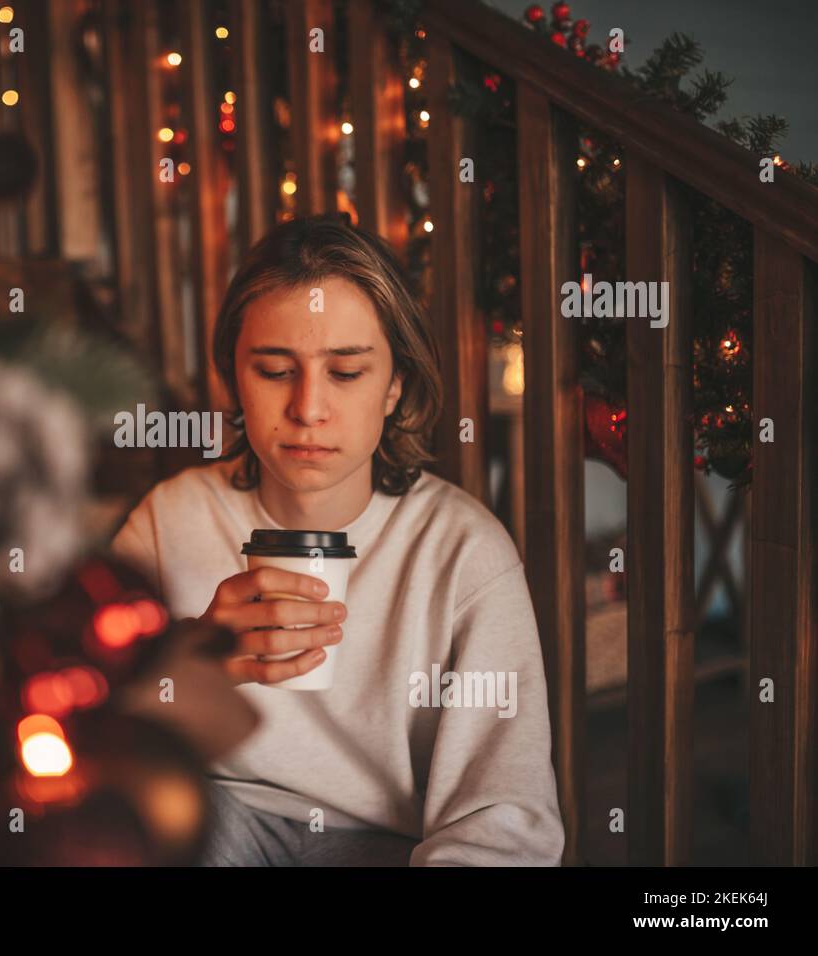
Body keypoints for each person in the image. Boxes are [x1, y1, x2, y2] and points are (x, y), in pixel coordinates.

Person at [109, 214, 565, 866]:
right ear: (233, 378)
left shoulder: (463, 552)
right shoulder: (171, 518)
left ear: (395, 386)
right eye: (273, 370)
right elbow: (89, 736)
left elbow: (500, 819)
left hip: (392, 843)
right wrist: (193, 659)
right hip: (219, 818)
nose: (308, 409)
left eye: (346, 373)